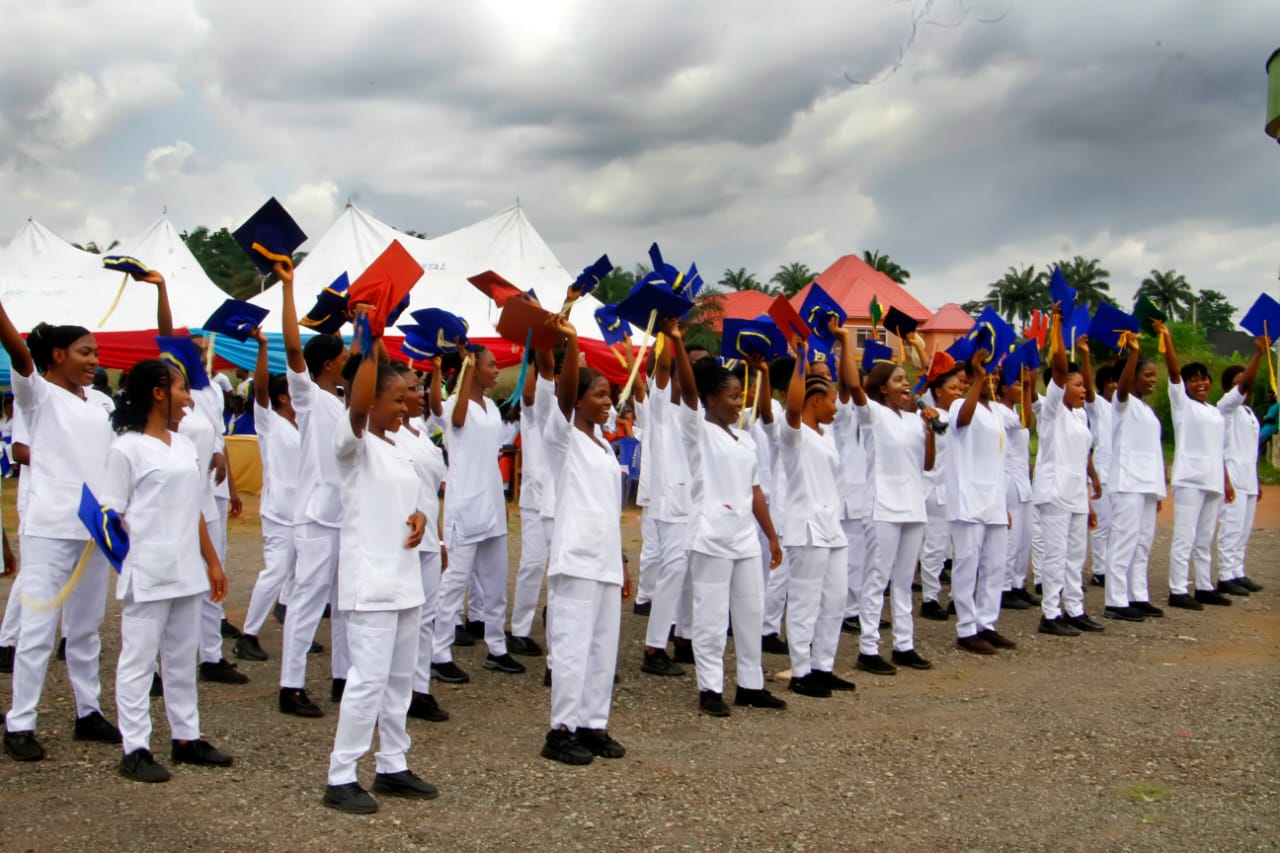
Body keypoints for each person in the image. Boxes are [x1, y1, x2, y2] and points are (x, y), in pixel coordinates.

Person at [0, 285, 138, 761]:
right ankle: (21, 722)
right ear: (57, 356)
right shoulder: (38, 394)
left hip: (95, 528)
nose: (94, 360)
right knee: (38, 628)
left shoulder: (100, 401)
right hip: (51, 525)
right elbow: (20, 355)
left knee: (85, 628)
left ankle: (88, 712)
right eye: (84, 352)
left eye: (95, 352)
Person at [322, 327, 437, 815]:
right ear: (369, 402)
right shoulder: (353, 444)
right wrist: (368, 343)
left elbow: (406, 499)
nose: (404, 407)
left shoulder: (394, 446)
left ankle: (392, 763)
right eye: (395, 400)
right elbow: (357, 404)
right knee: (367, 680)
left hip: (404, 580)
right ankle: (341, 775)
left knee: (398, 679)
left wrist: (420, 516)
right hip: (371, 583)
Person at [104, 359, 233, 782]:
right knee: (138, 661)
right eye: (180, 389)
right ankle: (135, 748)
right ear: (158, 393)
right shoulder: (127, 448)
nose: (187, 398)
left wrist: (212, 561)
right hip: (149, 571)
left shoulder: (183, 445)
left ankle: (186, 738)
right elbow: (110, 515)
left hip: (186, 569)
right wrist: (131, 559)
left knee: (181, 658)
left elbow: (195, 509)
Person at [667, 325, 785, 716]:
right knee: (712, 615)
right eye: (733, 396)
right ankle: (710, 688)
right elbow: (687, 391)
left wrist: (771, 536)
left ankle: (751, 685)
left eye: (741, 396)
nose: (739, 403)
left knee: (751, 612)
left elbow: (755, 491)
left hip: (744, 538)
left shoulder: (744, 439)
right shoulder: (697, 430)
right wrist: (677, 340)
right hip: (711, 536)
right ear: (711, 398)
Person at [539, 316, 630, 765]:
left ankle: (593, 724)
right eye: (599, 394)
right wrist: (572, 345)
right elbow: (563, 391)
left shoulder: (604, 446)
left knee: (601, 648)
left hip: (605, 560)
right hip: (575, 559)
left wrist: (622, 560)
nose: (608, 401)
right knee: (572, 647)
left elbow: (610, 509)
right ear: (577, 399)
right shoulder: (562, 439)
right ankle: (561, 730)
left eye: (609, 395)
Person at [277, 258, 352, 717]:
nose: (348, 363)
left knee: (345, 602)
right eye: (342, 359)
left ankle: (342, 677)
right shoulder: (308, 397)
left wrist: (365, 323)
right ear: (327, 364)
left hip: (343, 515)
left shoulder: (341, 402)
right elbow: (292, 348)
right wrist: (287, 288)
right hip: (315, 517)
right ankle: (291, 686)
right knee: (307, 602)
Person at [431, 341, 525, 682]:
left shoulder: (491, 407)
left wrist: (502, 505)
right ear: (473, 368)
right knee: (454, 583)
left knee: (496, 584)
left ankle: (496, 648)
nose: (496, 370)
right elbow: (456, 419)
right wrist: (466, 364)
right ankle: (438, 653)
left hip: (492, 507)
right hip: (466, 507)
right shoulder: (457, 405)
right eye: (491, 364)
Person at [777, 329, 855, 697]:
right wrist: (801, 360)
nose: (836, 408)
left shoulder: (826, 436)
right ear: (815, 401)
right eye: (831, 401)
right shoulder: (793, 435)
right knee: (805, 601)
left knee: (836, 599)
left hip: (831, 527)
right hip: (806, 526)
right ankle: (801, 671)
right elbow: (793, 407)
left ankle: (824, 665)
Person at [849, 351, 936, 675]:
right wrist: (843, 341)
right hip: (883, 504)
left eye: (907, 379)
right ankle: (868, 648)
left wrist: (929, 430)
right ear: (883, 388)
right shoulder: (873, 414)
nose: (907, 384)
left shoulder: (914, 419)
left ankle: (904, 645)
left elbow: (927, 464)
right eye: (899, 379)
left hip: (913, 504)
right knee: (877, 577)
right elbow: (854, 386)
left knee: (904, 580)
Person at [1033, 313, 1102, 637]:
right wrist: (1057, 329)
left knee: (1076, 556)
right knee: (1056, 555)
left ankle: (1074, 608)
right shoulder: (1052, 411)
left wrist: (1089, 494)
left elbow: (1082, 457)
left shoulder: (1079, 416)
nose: (1083, 389)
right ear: (1061, 388)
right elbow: (1060, 369)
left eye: (1084, 385)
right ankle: (1050, 613)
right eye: (1078, 385)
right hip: (1054, 493)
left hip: (1075, 493)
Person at [234, 329, 301, 662]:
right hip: (279, 512)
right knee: (276, 572)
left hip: (303, 512)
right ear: (283, 398)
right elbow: (260, 389)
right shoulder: (270, 422)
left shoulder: (304, 424)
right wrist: (262, 347)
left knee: (301, 575)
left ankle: (296, 628)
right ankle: (247, 635)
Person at [389, 361, 450, 725]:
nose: (421, 394)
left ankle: (419, 689)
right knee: (403, 620)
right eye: (412, 389)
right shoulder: (387, 435)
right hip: (403, 538)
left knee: (426, 619)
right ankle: (395, 691)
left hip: (428, 539)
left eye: (419, 388)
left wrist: (439, 538)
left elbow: (430, 493)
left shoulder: (421, 432)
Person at [1158, 322, 1235, 609]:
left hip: (1212, 480)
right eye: (1193, 380)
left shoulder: (1214, 412)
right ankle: (1178, 590)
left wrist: (1226, 480)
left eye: (1204, 379)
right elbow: (1173, 373)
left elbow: (1219, 449)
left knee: (1205, 537)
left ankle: (1204, 586)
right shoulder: (1182, 405)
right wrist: (1167, 338)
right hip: (1190, 479)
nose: (1200, 383)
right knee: (1185, 536)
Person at [947, 350, 1017, 653]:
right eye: (987, 375)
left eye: (995, 376)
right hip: (969, 499)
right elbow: (963, 421)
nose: (992, 380)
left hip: (994, 499)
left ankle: (986, 623)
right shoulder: (960, 405)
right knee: (967, 564)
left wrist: (1003, 503)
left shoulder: (998, 412)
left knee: (995, 565)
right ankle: (966, 628)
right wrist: (976, 377)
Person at [1103, 333, 1167, 621]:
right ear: (1132, 378)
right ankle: (1115, 601)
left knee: (1142, 542)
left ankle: (1137, 595)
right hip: (1127, 482)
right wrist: (1133, 355)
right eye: (1148, 375)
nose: (1153, 380)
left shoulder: (1146, 410)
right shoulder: (1122, 403)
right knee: (1124, 541)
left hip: (1146, 485)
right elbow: (1123, 387)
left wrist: (1157, 489)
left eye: (1154, 375)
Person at [1216, 337, 1268, 594]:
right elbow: (1244, 385)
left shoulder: (1248, 413)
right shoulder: (1225, 407)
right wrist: (1258, 355)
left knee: (1244, 528)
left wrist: (1256, 479)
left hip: (1248, 475)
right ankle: (1225, 576)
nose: (1244, 386)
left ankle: (1238, 571)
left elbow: (1251, 450)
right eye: (1238, 383)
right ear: (1229, 387)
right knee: (1232, 526)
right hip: (1232, 475)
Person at [919, 368, 964, 621]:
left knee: (960, 548)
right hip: (935, 488)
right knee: (934, 547)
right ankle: (930, 598)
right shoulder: (932, 416)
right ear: (938, 391)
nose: (958, 392)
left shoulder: (961, 416)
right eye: (952, 388)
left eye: (960, 387)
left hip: (956, 490)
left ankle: (958, 596)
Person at [996, 364, 1038, 610]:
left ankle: (1018, 583)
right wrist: (1029, 388)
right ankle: (1004, 586)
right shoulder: (1001, 411)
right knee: (1011, 538)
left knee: (1025, 536)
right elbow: (1025, 421)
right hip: (1009, 481)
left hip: (1023, 479)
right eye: (1017, 384)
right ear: (1003, 389)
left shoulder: (1013, 410)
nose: (1021, 388)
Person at [1085, 363, 1119, 587]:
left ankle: (1112, 567)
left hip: (1120, 473)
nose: (1114, 385)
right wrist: (1087, 355)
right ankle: (1099, 570)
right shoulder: (1097, 405)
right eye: (1109, 382)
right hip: (1102, 471)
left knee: (1117, 524)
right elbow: (1088, 389)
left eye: (1117, 381)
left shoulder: (1124, 407)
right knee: (1102, 523)